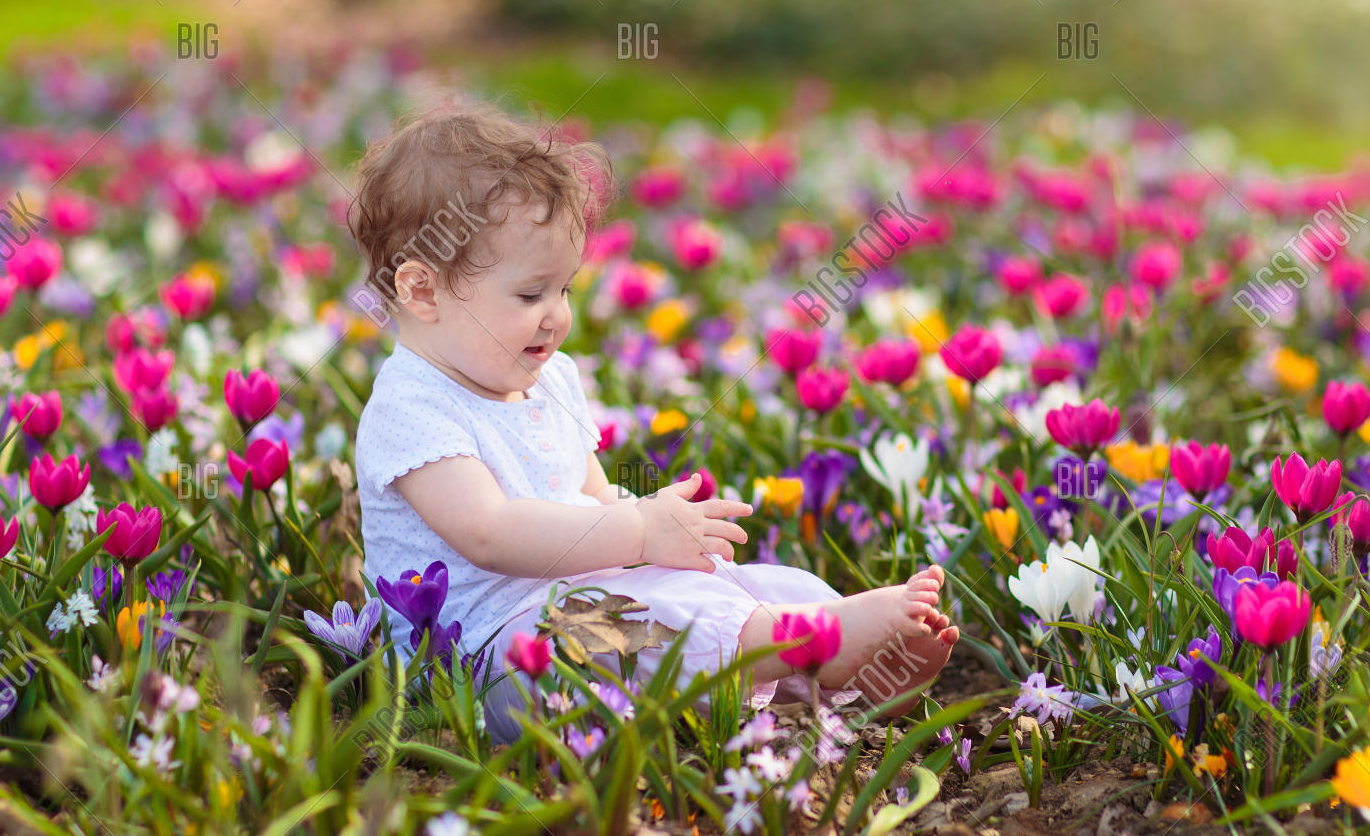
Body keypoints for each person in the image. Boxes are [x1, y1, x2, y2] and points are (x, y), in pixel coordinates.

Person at [350, 99, 957, 740]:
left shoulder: (547, 377)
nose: (557, 315)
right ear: (421, 291)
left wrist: (657, 527)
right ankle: (804, 650)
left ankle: (832, 669)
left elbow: (588, 497)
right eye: (531, 294)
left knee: (747, 583)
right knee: (601, 634)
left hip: (587, 595)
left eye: (566, 289)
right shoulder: (411, 409)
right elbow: (491, 534)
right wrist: (637, 531)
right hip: (486, 657)